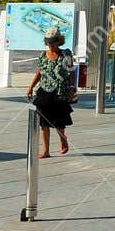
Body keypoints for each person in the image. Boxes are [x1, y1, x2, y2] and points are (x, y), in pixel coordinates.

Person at [24, 27, 77, 158]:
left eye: (53, 42)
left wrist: (71, 88)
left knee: (59, 121)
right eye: (48, 42)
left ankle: (63, 140)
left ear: (59, 41)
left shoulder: (66, 54)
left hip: (60, 91)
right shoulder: (43, 55)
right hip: (44, 91)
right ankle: (46, 150)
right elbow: (39, 72)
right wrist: (31, 87)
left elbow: (71, 71)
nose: (51, 45)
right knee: (43, 123)